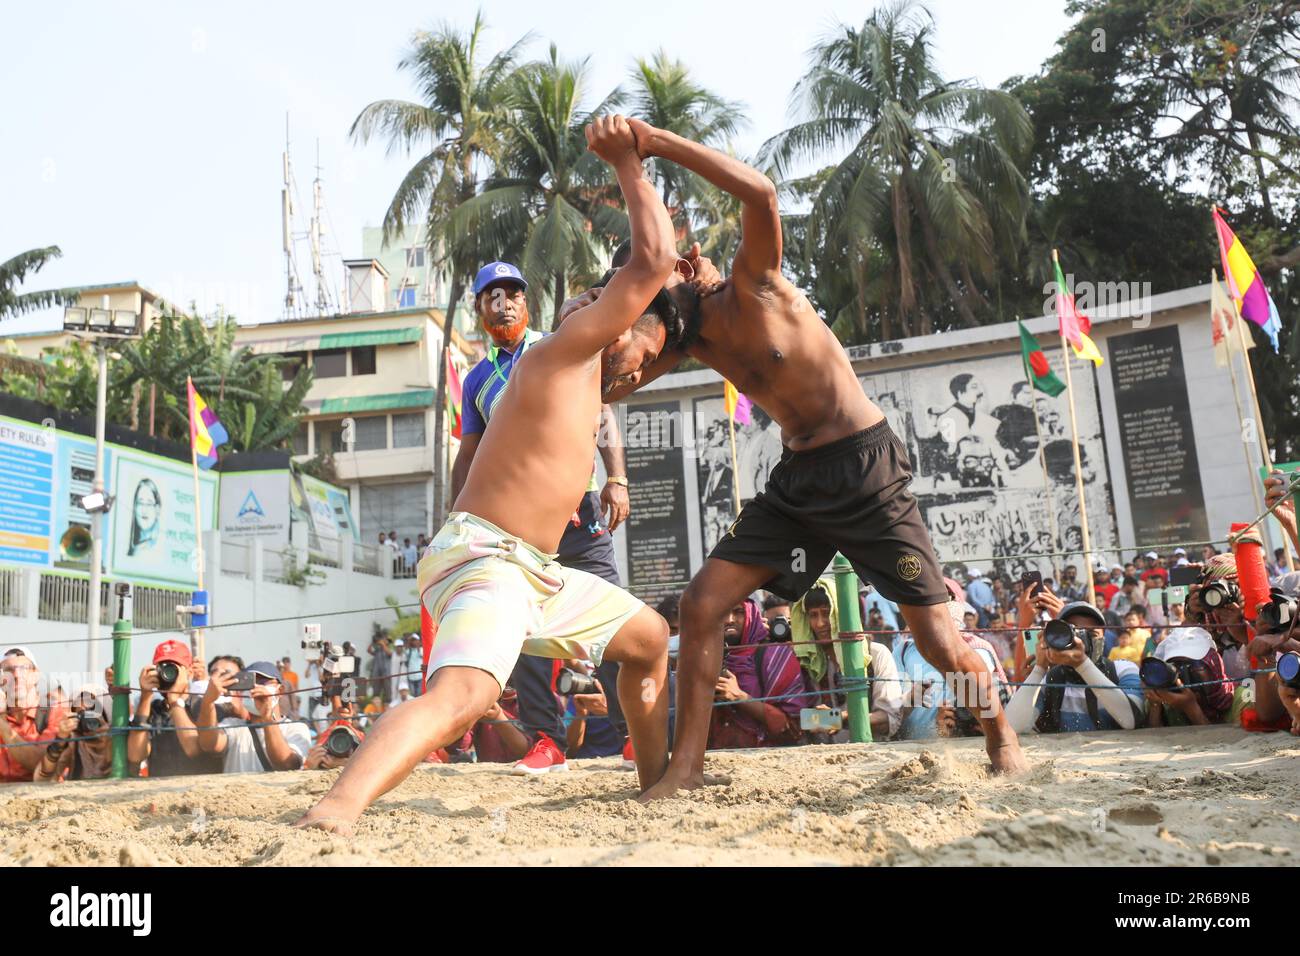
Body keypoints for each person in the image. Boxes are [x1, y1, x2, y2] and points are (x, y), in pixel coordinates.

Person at [578, 120, 1025, 795]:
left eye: (656, 279)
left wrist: (649, 146)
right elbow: (621, 363)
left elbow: (760, 193)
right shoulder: (682, 340)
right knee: (701, 605)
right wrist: (589, 320)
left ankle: (1001, 733)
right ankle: (689, 768)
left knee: (939, 642)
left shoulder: (754, 285)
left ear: (679, 268)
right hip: (797, 486)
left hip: (867, 470)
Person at [296, 115, 680, 833]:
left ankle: (655, 786)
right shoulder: (558, 352)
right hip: (488, 558)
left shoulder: (573, 377)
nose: (624, 347)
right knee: (468, 694)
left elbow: (652, 307)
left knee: (650, 637)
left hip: (532, 568)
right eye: (600, 314)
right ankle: (336, 808)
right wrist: (632, 162)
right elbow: (653, 259)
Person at [449, 249, 640, 777]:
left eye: (513, 293)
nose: (504, 303)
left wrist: (617, 479)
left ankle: (633, 738)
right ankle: (547, 742)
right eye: (493, 295)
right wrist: (452, 523)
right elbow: (469, 454)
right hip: (520, 526)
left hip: (579, 511)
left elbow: (601, 414)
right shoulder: (476, 382)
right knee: (525, 634)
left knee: (618, 623)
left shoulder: (558, 349)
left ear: (526, 304)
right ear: (480, 312)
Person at [1004, 592, 1144, 734]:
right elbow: (1011, 727)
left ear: (1104, 639)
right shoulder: (1051, 679)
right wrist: (1039, 668)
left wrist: (1082, 664)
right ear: (1056, 637)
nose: (1081, 640)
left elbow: (1130, 720)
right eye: (1074, 632)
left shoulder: (1123, 670)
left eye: (1092, 634)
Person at [710, 599, 811, 749]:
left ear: (752, 616)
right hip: (718, 759)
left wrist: (739, 697)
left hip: (769, 758)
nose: (729, 620)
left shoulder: (776, 656)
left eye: (739, 612)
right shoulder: (708, 659)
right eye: (723, 612)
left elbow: (793, 726)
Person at [127, 640, 224, 777]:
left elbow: (193, 750)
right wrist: (146, 696)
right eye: (162, 669)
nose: (167, 675)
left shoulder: (203, 706)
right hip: (160, 793)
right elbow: (136, 756)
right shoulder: (153, 710)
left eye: (174, 669)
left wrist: (174, 699)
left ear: (189, 673)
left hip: (199, 791)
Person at [198, 659, 312, 772]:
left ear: (280, 691)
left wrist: (267, 716)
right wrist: (208, 701)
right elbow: (209, 745)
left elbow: (286, 764)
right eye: (249, 682)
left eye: (262, 681)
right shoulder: (232, 726)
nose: (255, 687)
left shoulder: (296, 728)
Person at [1143, 627, 1234, 727]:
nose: (1184, 673)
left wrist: (1191, 708)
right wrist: (1155, 707)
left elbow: (1221, 741)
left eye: (1193, 665)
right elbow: (1154, 740)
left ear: (1214, 667)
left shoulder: (1241, 698)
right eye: (1176, 666)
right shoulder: (1166, 700)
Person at [0, 646, 64, 782]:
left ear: (36, 675)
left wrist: (2, 724)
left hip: (44, 797)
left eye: (24, 669)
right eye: (8, 670)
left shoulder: (53, 711)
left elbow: (41, 767)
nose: (16, 675)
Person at [34, 685, 115, 782]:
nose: (87, 715)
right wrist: (60, 740)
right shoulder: (75, 743)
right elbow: (40, 779)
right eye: (81, 712)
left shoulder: (119, 739)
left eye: (91, 708)